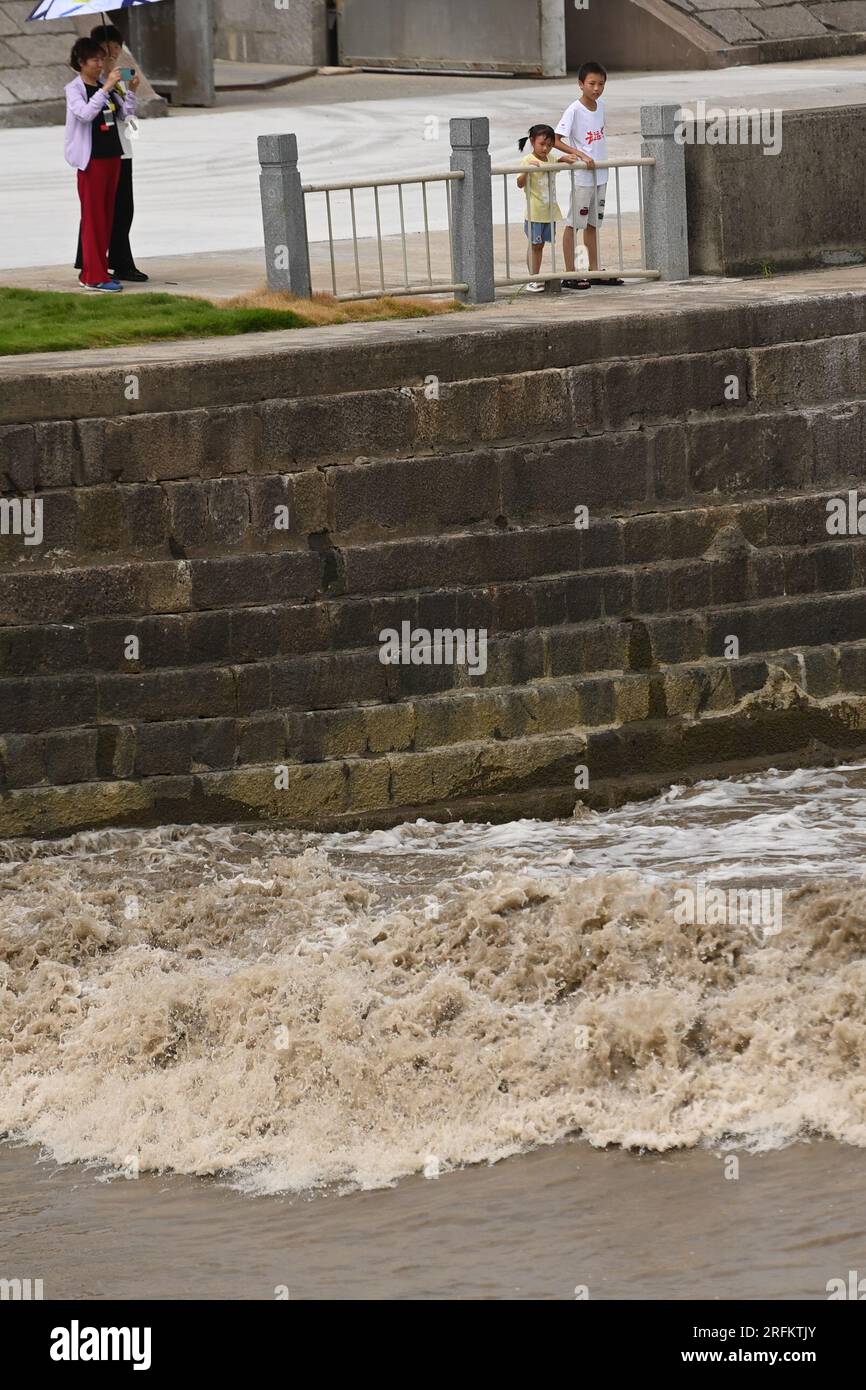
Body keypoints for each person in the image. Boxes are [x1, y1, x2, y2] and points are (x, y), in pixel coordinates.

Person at [74, 24, 148, 283]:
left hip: (120, 151)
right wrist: (109, 86)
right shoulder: (84, 87)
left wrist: (131, 91)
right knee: (99, 211)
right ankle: (94, 264)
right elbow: (84, 114)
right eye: (104, 53)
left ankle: (113, 261)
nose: (110, 57)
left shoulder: (111, 83)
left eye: (115, 51)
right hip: (98, 155)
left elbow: (127, 115)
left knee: (120, 210)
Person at [553, 61, 624, 291]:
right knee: (574, 223)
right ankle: (570, 272)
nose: (596, 88)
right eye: (591, 83)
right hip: (583, 178)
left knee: (593, 224)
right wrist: (578, 154)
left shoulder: (601, 106)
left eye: (601, 84)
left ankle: (594, 270)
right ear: (581, 84)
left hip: (600, 175)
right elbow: (556, 138)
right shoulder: (574, 110)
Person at [516, 125, 576, 293]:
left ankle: (535, 277)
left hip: (549, 212)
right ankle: (533, 278)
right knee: (535, 245)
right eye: (542, 144)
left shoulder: (550, 158)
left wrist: (564, 159)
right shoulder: (528, 160)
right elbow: (519, 183)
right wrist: (528, 171)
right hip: (534, 212)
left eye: (549, 145)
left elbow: (556, 162)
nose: (545, 148)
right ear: (532, 141)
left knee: (541, 245)